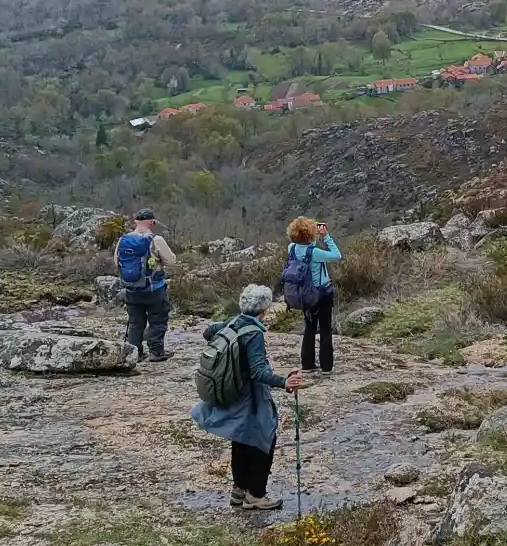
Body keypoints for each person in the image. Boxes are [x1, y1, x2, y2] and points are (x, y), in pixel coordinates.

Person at [192, 284, 306, 512]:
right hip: (250, 396)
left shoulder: (235, 322)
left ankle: (239, 492)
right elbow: (257, 372)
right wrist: (284, 381)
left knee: (241, 439)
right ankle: (256, 495)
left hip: (234, 391)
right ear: (264, 309)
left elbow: (208, 333)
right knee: (264, 440)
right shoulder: (253, 333)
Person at [115, 207, 177, 362]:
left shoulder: (123, 240)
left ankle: (134, 353)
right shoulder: (155, 240)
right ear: (152, 222)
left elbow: (116, 261)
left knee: (135, 322)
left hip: (131, 289)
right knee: (158, 319)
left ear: (136, 221)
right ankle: (156, 352)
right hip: (153, 288)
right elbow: (171, 261)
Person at [285, 217, 343, 374]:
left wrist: (309, 236)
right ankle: (326, 366)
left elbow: (302, 245)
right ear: (309, 234)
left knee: (309, 327)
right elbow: (337, 255)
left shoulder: (291, 248)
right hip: (322, 293)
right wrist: (326, 236)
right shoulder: (315, 253)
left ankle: (307, 364)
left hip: (305, 295)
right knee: (325, 329)